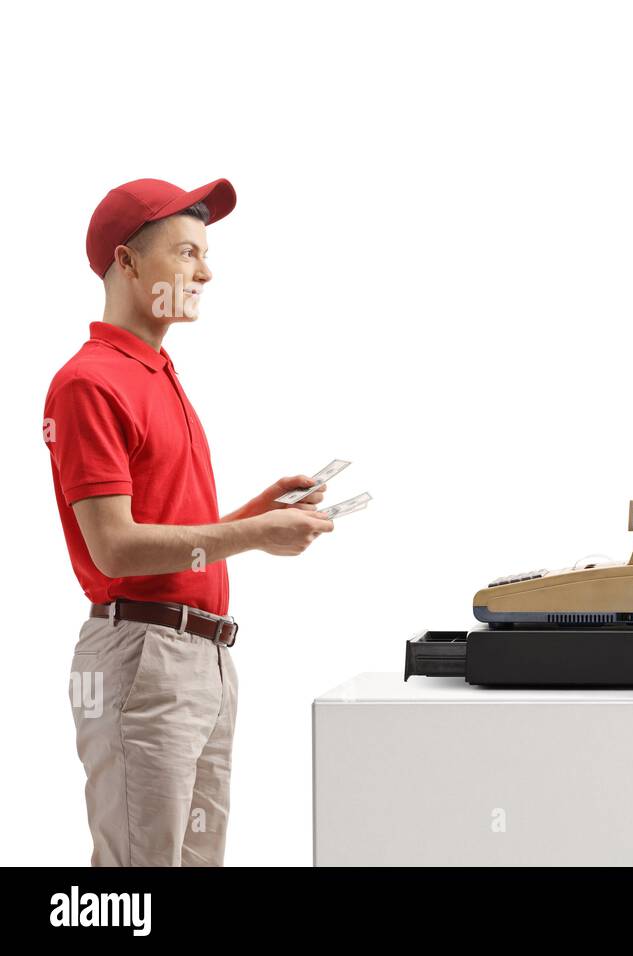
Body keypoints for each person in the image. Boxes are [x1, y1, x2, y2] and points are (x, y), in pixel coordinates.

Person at [44, 178, 336, 865]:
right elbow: (114, 549)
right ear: (128, 262)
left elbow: (170, 538)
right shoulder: (92, 382)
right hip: (144, 658)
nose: (205, 271)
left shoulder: (156, 375)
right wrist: (251, 536)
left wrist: (253, 518)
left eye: (203, 255)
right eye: (185, 253)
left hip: (201, 660)